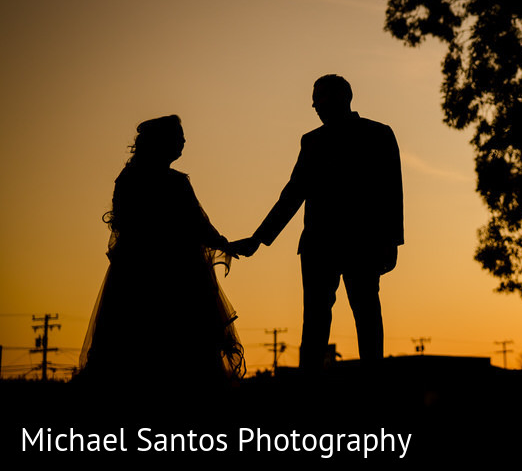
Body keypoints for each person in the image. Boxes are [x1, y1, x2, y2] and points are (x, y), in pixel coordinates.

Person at [232, 75, 403, 373]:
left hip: (363, 245)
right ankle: (308, 391)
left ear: (342, 97)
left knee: (366, 316)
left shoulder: (378, 134)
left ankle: (374, 388)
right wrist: (259, 238)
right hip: (318, 245)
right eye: (314, 98)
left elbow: (392, 192)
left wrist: (391, 242)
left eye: (319, 97)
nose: (313, 104)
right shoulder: (311, 141)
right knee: (314, 321)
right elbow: (294, 192)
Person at [79, 115, 244, 387]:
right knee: (184, 350)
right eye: (178, 137)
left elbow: (124, 224)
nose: (183, 142)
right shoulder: (175, 182)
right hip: (176, 277)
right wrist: (225, 243)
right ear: (162, 141)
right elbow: (199, 225)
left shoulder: (128, 178)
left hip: (133, 274)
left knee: (127, 348)